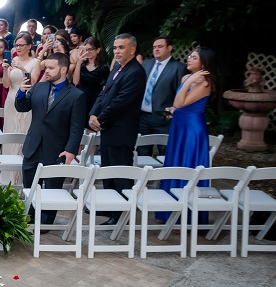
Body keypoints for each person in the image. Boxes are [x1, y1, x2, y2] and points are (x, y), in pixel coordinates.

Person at [15, 53, 86, 223]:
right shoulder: (39, 87)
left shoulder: (76, 95)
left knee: (53, 185)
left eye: (50, 68)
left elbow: (76, 127)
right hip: (33, 145)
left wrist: (71, 150)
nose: (46, 70)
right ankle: (29, 215)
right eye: (46, 67)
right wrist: (21, 93)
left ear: (63, 69)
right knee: (30, 183)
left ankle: (46, 221)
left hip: (57, 148)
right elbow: (22, 107)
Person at [89, 34, 145, 210]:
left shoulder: (135, 72)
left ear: (132, 49)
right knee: (107, 170)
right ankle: (110, 207)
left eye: (121, 47)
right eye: (115, 48)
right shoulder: (118, 68)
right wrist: (93, 114)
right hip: (108, 129)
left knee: (120, 174)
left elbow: (121, 102)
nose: (116, 51)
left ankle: (122, 213)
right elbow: (103, 93)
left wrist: (101, 118)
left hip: (121, 131)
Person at [158, 47, 215, 213]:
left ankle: (185, 216)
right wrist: (175, 111)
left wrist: (189, 83)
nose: (189, 59)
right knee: (174, 164)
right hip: (179, 125)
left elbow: (180, 103)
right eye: (190, 56)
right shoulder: (186, 77)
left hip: (191, 129)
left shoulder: (204, 83)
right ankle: (168, 211)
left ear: (203, 63)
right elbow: (179, 104)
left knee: (187, 165)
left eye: (194, 57)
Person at [138, 37, 187, 157]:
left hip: (164, 118)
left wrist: (175, 111)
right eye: (154, 47)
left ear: (169, 48)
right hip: (143, 117)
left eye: (160, 46)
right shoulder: (146, 64)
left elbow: (181, 93)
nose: (156, 49)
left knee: (165, 152)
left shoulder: (179, 68)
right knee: (142, 152)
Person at [2, 33, 41, 181]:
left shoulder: (36, 62)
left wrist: (23, 69)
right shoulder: (14, 59)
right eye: (16, 45)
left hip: (26, 100)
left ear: (29, 46)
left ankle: (21, 176)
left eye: (21, 45)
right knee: (10, 133)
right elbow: (6, 84)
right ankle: (7, 177)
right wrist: (5, 70)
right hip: (11, 100)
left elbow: (33, 83)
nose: (18, 48)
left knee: (24, 133)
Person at [72, 36, 110, 125]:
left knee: (91, 129)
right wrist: (78, 63)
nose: (88, 52)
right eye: (86, 49)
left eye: (90, 49)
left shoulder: (103, 67)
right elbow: (75, 82)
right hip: (80, 100)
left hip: (94, 101)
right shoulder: (82, 65)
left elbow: (105, 88)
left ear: (98, 50)